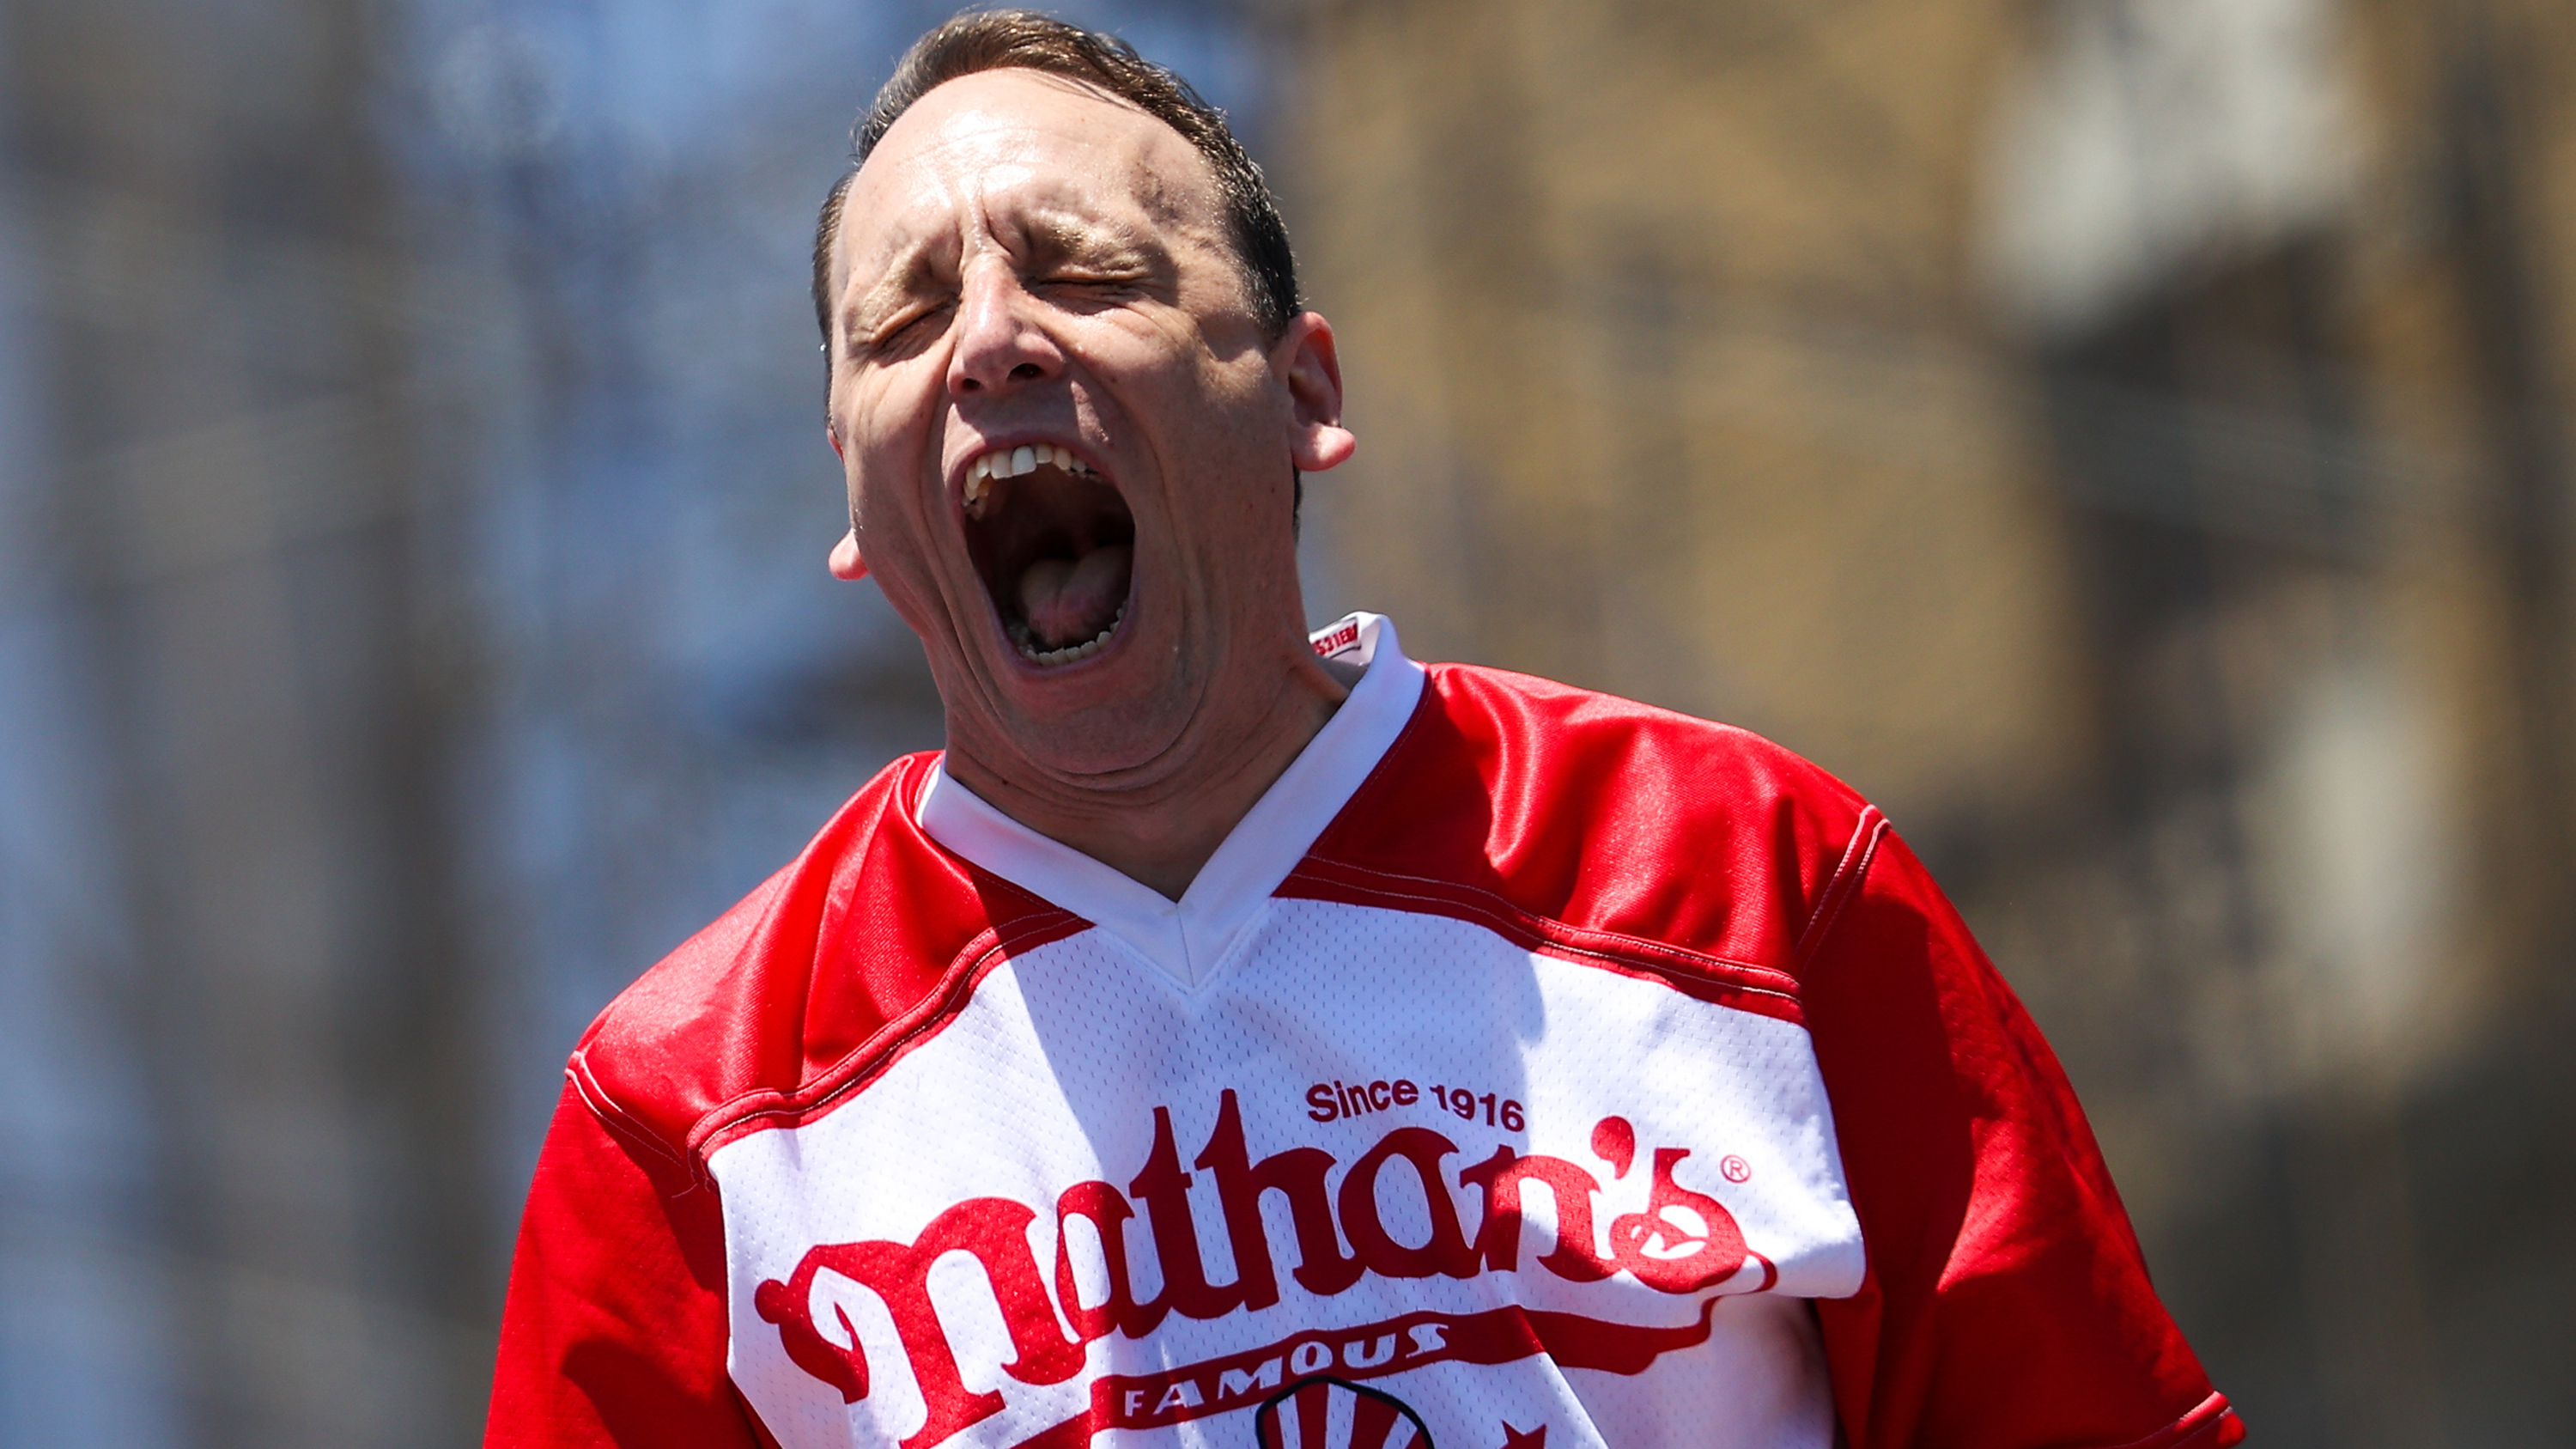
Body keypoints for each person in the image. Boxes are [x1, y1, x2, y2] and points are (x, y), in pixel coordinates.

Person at [485, 12, 2242, 1449]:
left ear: (1307, 390)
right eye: (907, 317)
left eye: (1082, 274)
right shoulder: (686, 1127)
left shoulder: (1747, 880)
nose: (993, 342)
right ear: (858, 513)